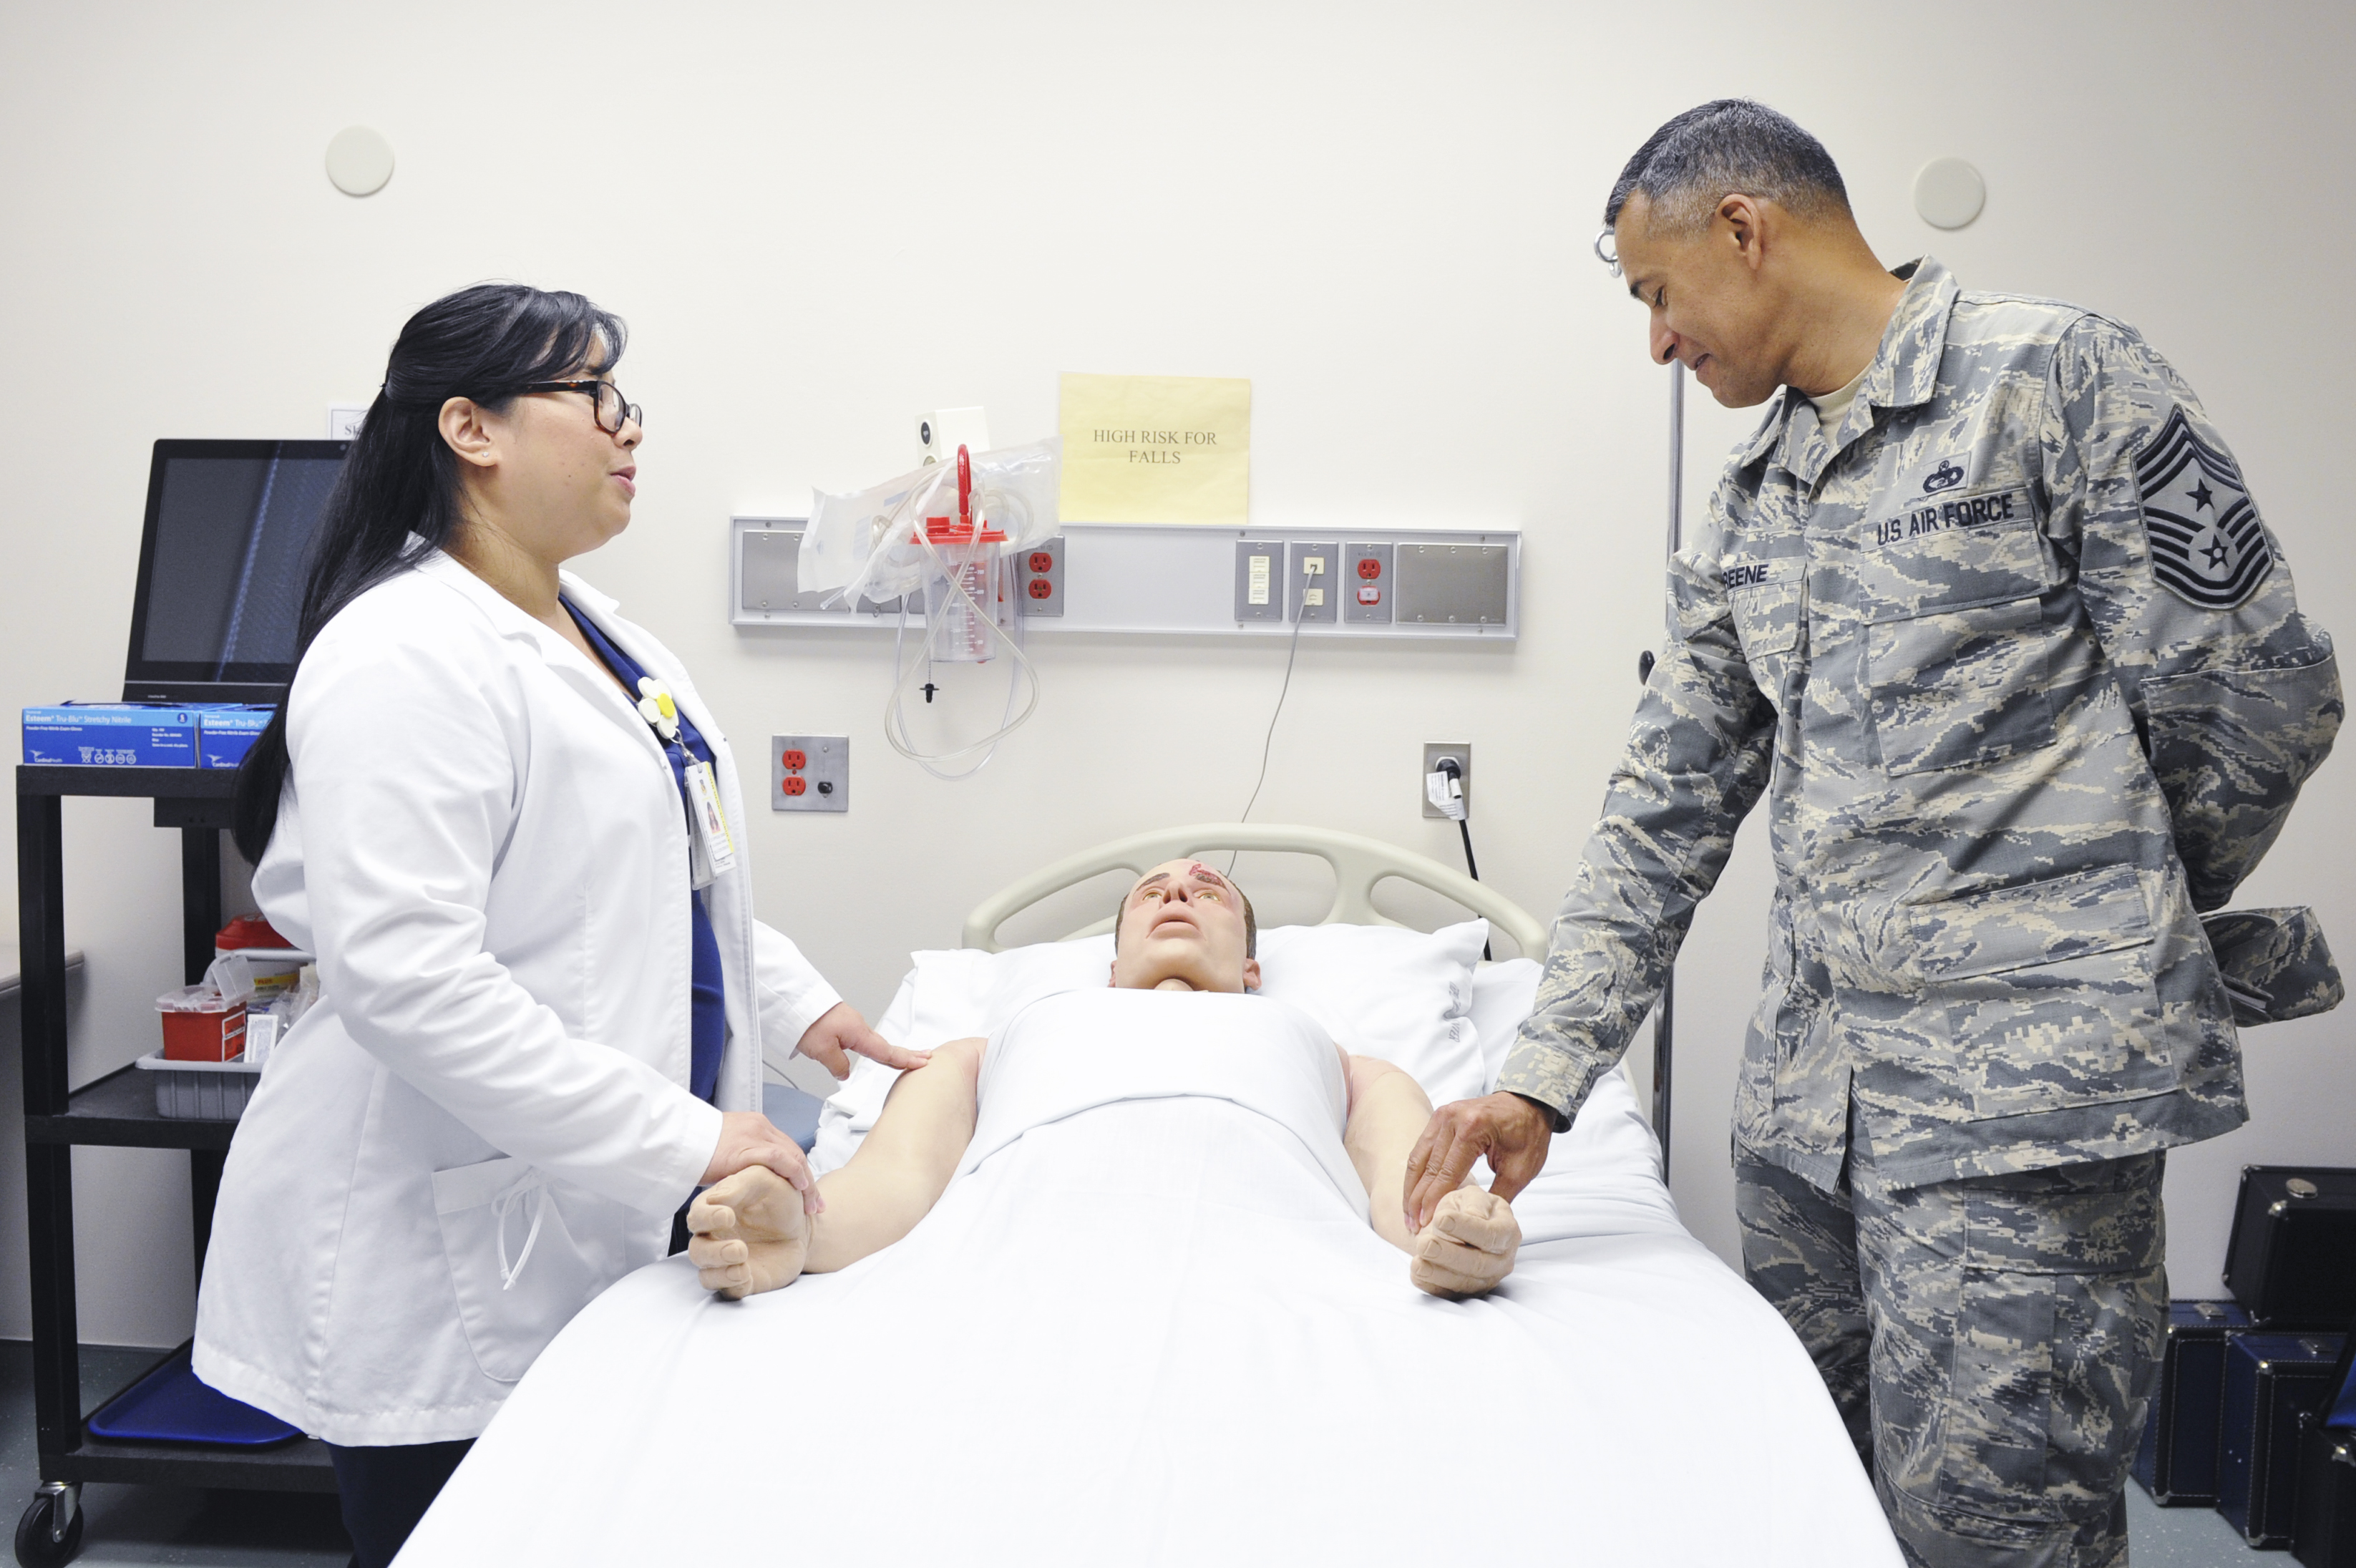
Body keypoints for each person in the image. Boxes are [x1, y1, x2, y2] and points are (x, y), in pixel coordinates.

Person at [1402, 100, 2340, 1567]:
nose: (1654, 343)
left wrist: (2102, 918)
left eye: (1655, 294)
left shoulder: (2050, 382)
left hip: (2018, 1139)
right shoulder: (1748, 503)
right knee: (1796, 1514)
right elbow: (1660, 807)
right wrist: (1539, 1081)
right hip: (1803, 1136)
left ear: (1741, 228)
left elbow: (2256, 698)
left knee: (1992, 1540)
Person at [191, 283, 924, 1568]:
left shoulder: (605, 637)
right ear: (471, 430)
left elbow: (678, 876)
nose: (628, 429)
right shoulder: (404, 655)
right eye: (596, 398)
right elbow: (409, 984)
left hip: (577, 1192)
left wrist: (804, 1011)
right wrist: (687, 1133)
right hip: (437, 1236)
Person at [686, 859, 1521, 1300]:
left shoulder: (1343, 1060)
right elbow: (893, 1186)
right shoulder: (985, 1048)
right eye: (1152, 891)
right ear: (1111, 959)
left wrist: (1452, 1240)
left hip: (1276, 1276)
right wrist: (801, 1231)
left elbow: (1409, 1199)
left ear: (1255, 966)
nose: (1178, 893)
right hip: (1011, 1275)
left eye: (1208, 891)